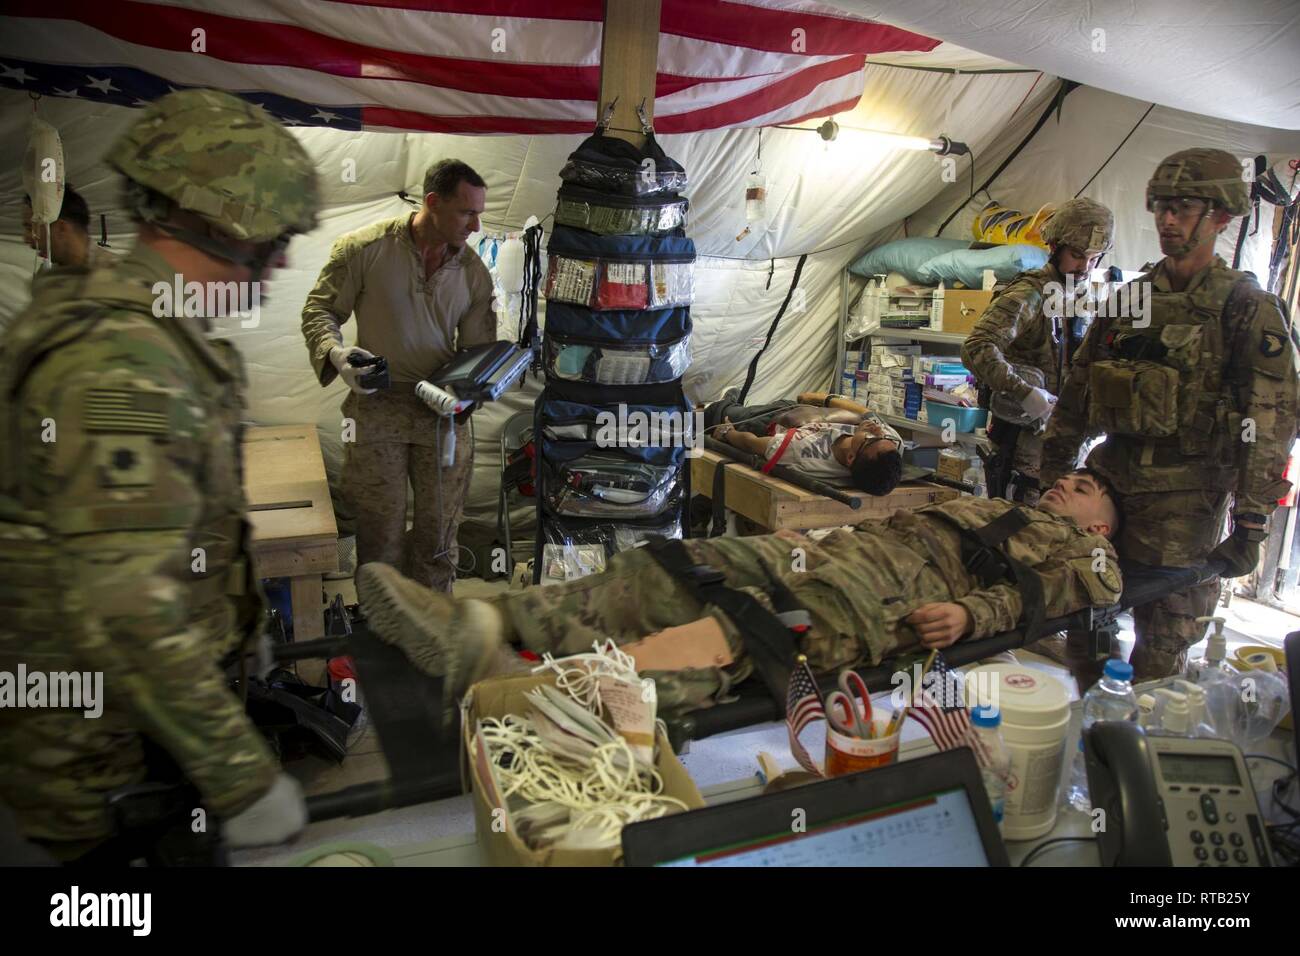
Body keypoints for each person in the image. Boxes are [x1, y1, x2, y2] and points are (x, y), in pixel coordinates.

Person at [0, 90, 319, 860]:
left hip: (142, 735)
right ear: (213, 225)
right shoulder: (124, 360)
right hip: (101, 768)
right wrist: (241, 776)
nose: (280, 264)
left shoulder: (158, 329)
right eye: (271, 239)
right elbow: (124, 604)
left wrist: (240, 631)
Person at [356, 469, 1123, 718]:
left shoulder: (1090, 559)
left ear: (1102, 525)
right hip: (835, 552)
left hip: (886, 601)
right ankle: (484, 617)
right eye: (1068, 475)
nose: (1065, 485)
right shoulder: (1001, 504)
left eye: (1083, 488)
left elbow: (1041, 605)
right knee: (676, 564)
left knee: (736, 636)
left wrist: (969, 615)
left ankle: (535, 690)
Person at [1041, 148, 1300, 680]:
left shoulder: (1245, 305)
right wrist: (1051, 474)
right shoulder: (1132, 297)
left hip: (1186, 508)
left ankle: (1146, 748)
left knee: (1160, 650)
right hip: (1109, 491)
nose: (1167, 220)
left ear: (1222, 218)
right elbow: (1080, 391)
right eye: (1161, 206)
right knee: (1086, 625)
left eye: (1184, 208)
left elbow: (1271, 419)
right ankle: (1091, 745)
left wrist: (1251, 524)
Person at [302, 160, 497, 593]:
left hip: (443, 414)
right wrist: (336, 355)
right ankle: (380, 639)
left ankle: (434, 639)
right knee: (379, 538)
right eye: (467, 212)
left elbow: (479, 352)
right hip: (376, 408)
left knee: (439, 539)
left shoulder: (473, 273)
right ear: (432, 203)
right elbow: (320, 310)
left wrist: (479, 383)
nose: (476, 225)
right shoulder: (365, 248)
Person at [963, 198, 1116, 505]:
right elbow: (977, 347)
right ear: (1056, 246)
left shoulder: (1086, 294)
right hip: (1024, 442)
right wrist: (1023, 392)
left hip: (1068, 440)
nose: (1085, 267)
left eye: (1094, 258)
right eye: (1077, 256)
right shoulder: (1030, 292)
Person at [703, 390, 904, 495]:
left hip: (774, 423)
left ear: (851, 457)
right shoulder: (892, 443)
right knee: (787, 406)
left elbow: (751, 443)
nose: (878, 430)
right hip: (804, 411)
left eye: (873, 438)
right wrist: (821, 398)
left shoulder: (801, 450)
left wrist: (728, 433)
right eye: (883, 436)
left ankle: (725, 404)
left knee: (725, 414)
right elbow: (865, 412)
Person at [22, 186, 113, 269]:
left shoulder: (114, 276)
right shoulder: (48, 273)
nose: (26, 238)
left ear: (62, 228)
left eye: (30, 228)